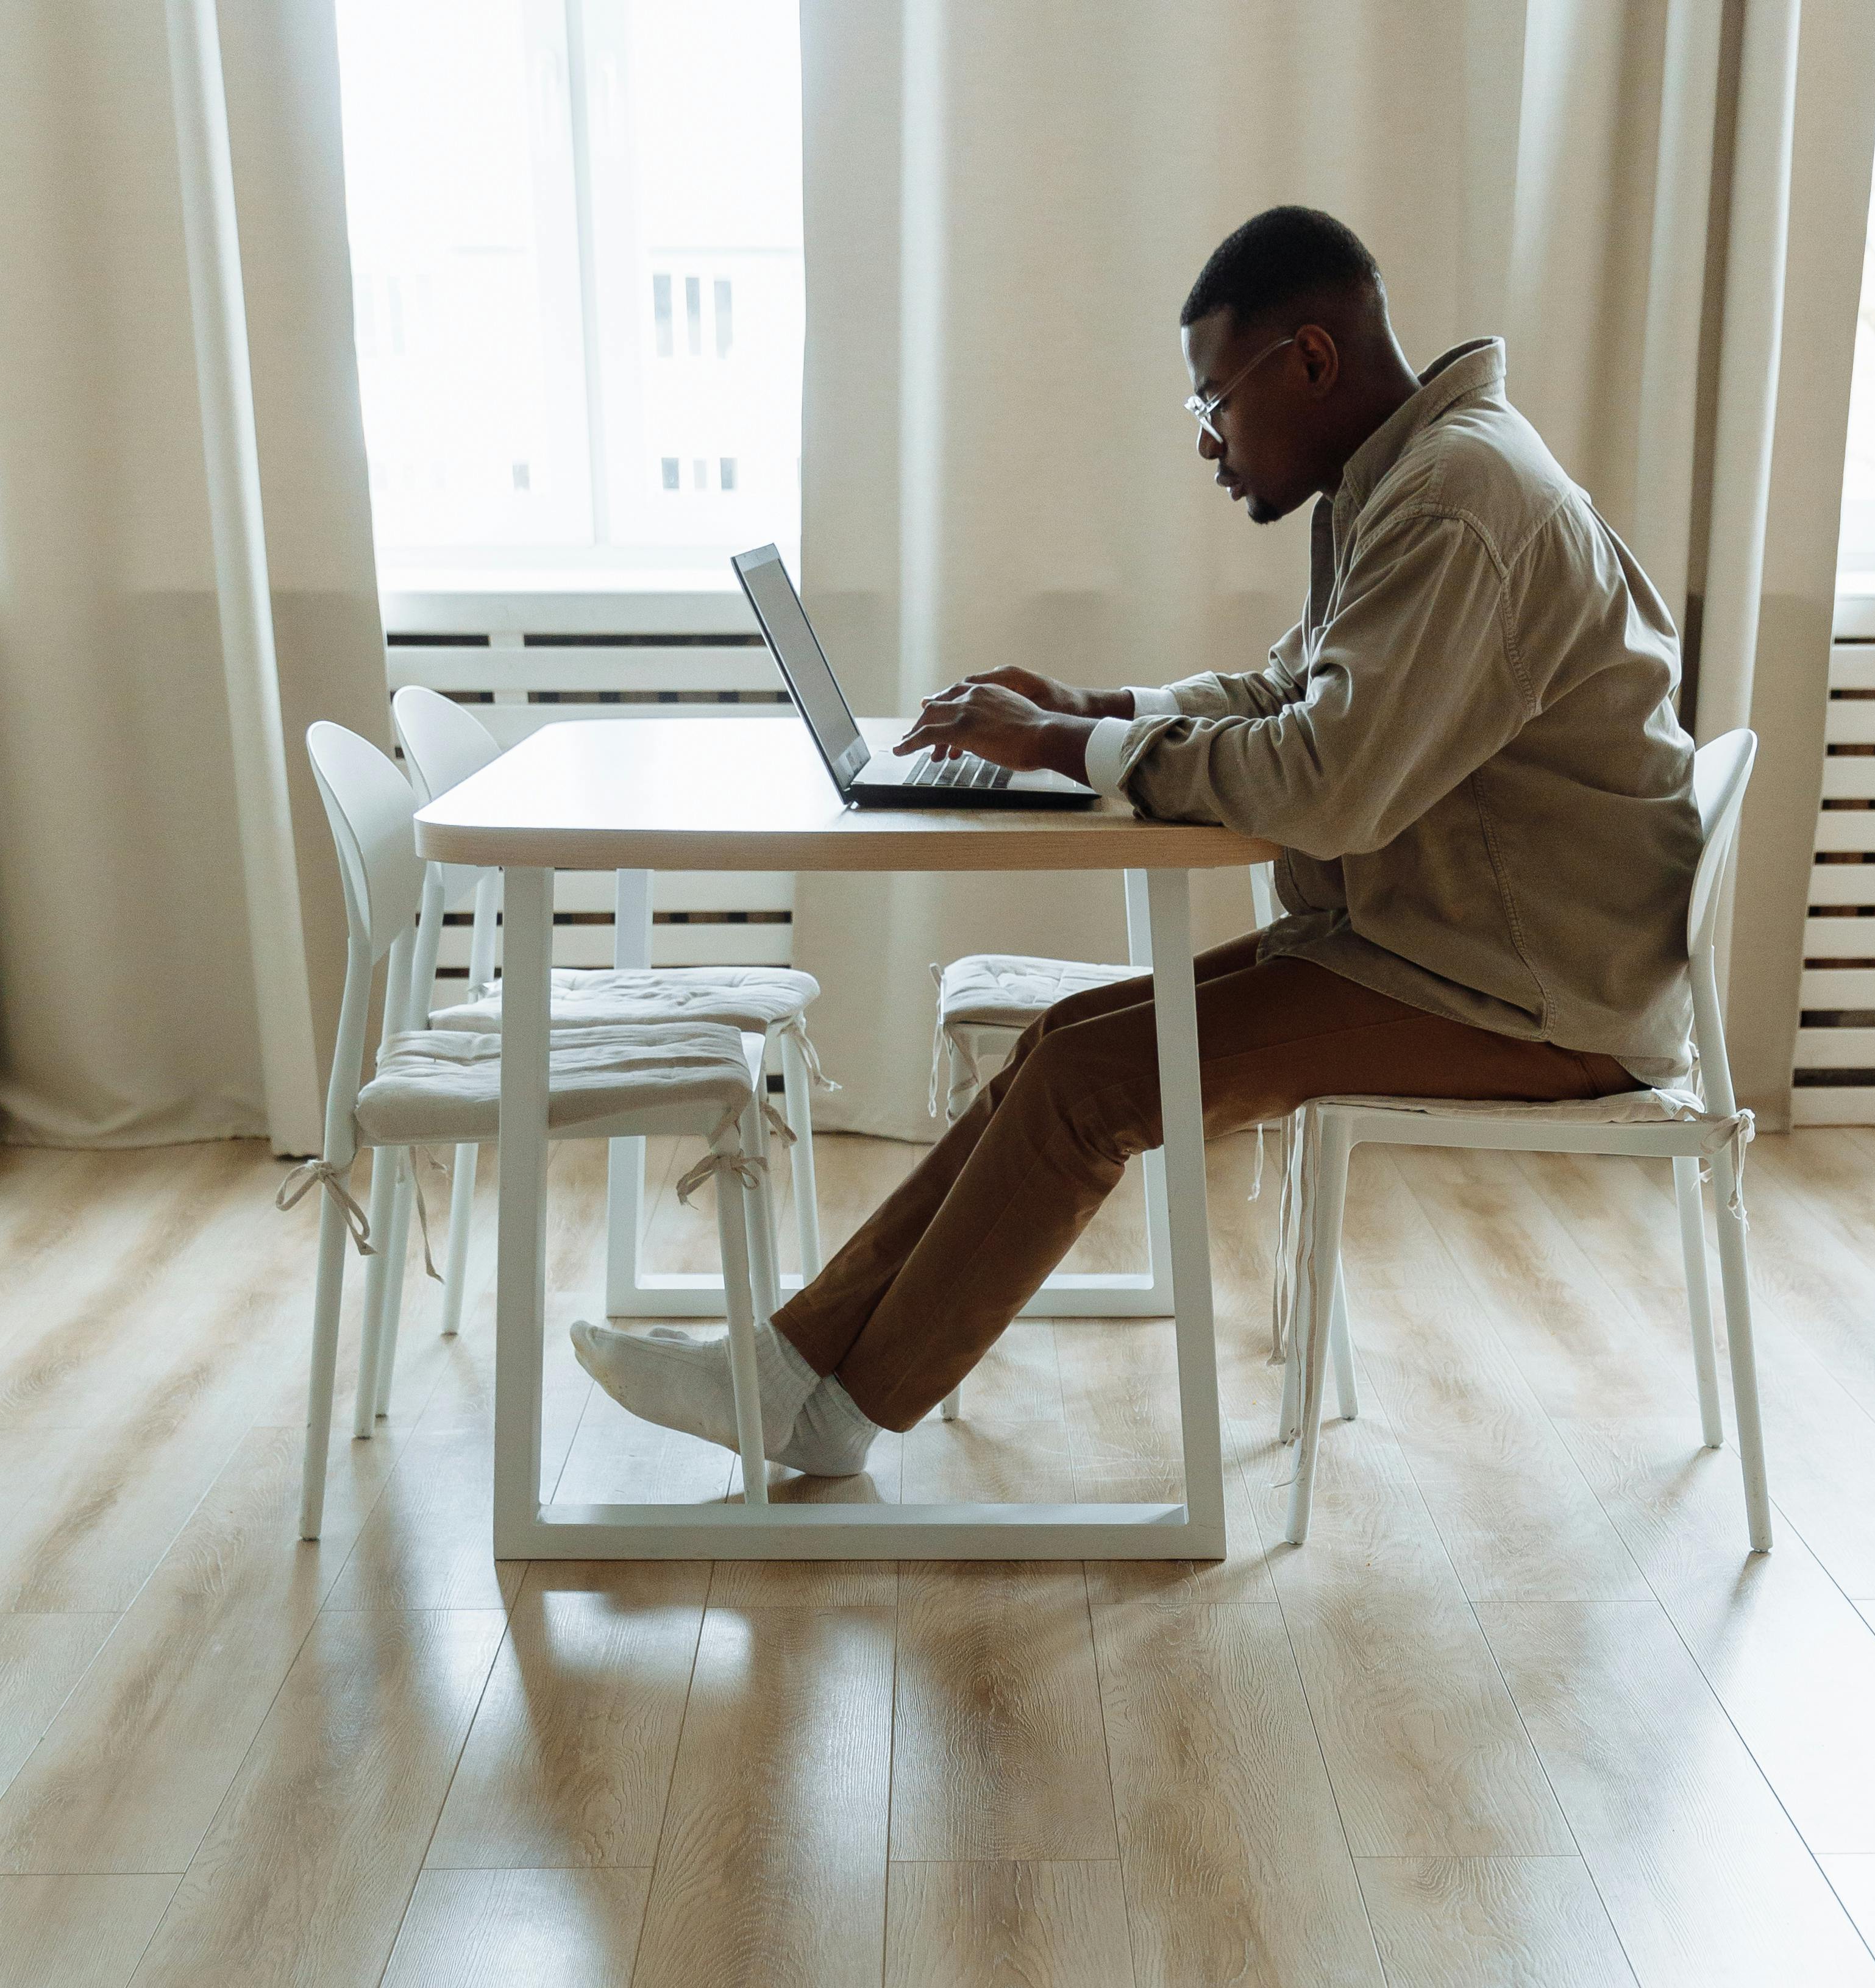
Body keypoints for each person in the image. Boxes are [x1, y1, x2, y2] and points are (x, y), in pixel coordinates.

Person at [575, 201, 1702, 1479]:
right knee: (1067, 1041)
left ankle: (822, 1403)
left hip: (1536, 994)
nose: (1209, 443)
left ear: (1311, 359)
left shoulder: (1455, 502)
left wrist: (1072, 747)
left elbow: (1325, 786)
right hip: (1453, 947)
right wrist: (1093, 710)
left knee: (1092, 1084)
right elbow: (1289, 693)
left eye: (1213, 400)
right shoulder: (1413, 477)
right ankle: (803, 1382)